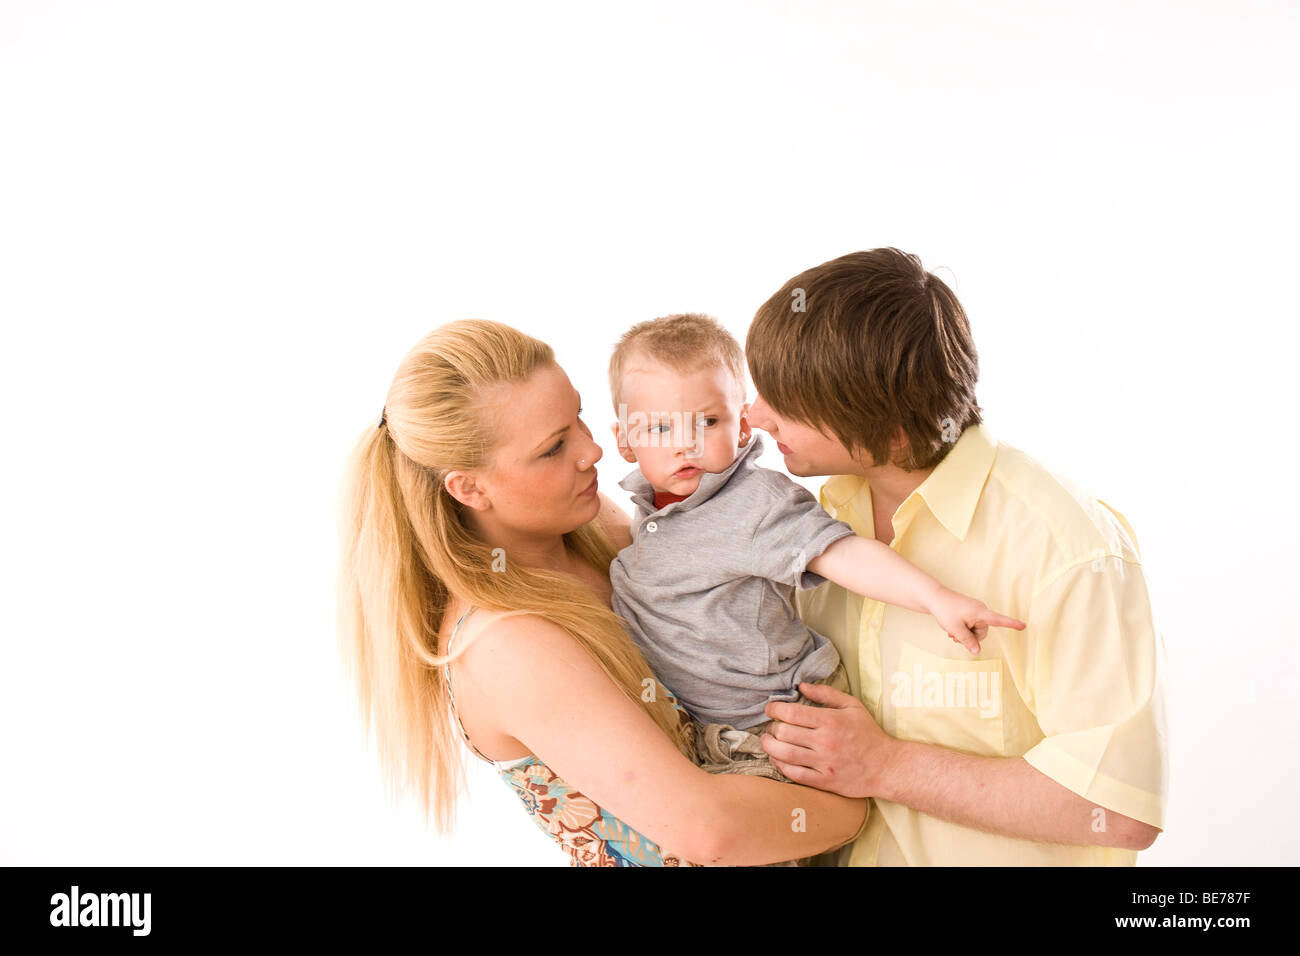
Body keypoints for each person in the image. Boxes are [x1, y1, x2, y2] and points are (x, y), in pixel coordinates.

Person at [337, 318, 867, 866]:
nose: (592, 451)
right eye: (552, 447)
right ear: (469, 488)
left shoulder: (597, 528)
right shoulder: (504, 644)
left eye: (579, 418)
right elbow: (709, 831)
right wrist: (866, 798)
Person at [744, 248, 1168, 865]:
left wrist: (884, 766)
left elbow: (1119, 809)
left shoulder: (1070, 549)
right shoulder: (811, 519)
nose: (754, 417)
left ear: (889, 433)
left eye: (788, 406)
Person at [604, 313, 1025, 787]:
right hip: (704, 727)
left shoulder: (753, 502)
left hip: (774, 726)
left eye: (708, 421)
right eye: (660, 428)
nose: (687, 444)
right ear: (624, 440)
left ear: (743, 426)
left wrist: (934, 598)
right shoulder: (651, 508)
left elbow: (843, 554)